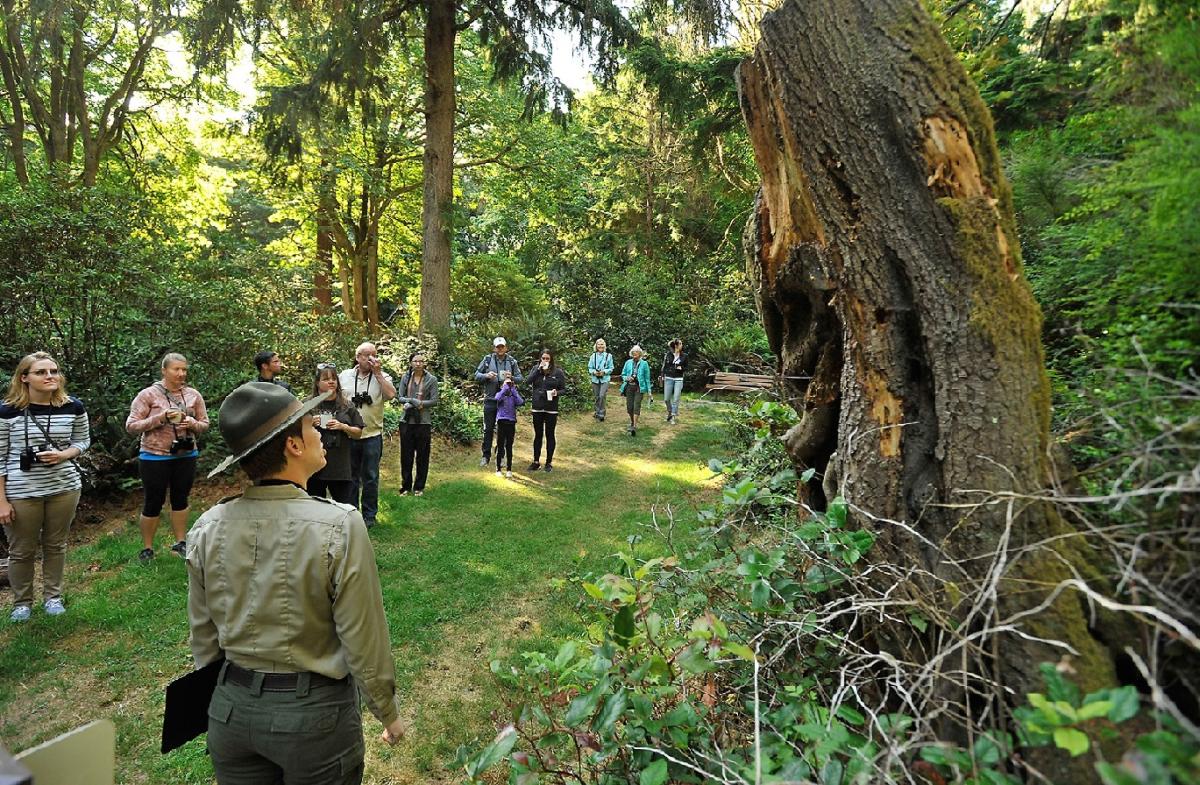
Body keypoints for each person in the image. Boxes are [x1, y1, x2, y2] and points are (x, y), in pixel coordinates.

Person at [188, 382, 406, 783]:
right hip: (314, 719)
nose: (321, 431)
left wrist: (219, 705)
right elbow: (363, 635)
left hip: (230, 712)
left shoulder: (207, 527)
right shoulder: (339, 525)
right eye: (310, 425)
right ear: (292, 446)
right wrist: (386, 712)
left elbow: (203, 636)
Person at [0, 352, 90, 622]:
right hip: (21, 491)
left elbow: (83, 441)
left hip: (63, 487)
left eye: (54, 371)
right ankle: (22, 603)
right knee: (21, 550)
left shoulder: (73, 406)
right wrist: (1, 501)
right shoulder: (7, 412)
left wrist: (64, 455)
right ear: (24, 378)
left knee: (56, 545)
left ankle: (53, 598)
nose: (50, 376)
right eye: (41, 372)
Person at [126, 352, 210, 563]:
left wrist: (191, 424)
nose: (181, 374)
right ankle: (147, 548)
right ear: (164, 370)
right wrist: (160, 418)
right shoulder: (148, 395)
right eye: (176, 369)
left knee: (180, 499)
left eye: (184, 370)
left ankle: (181, 543)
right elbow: (131, 426)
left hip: (186, 454)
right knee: (153, 502)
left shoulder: (193, 395)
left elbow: (205, 424)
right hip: (154, 456)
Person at [339, 342, 395, 528]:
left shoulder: (383, 376)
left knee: (370, 477)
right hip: (349, 434)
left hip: (372, 435)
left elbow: (391, 394)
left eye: (374, 355)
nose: (371, 359)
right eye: (366, 355)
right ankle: (351, 512)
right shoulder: (345, 376)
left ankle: (369, 516)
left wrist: (378, 374)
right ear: (357, 357)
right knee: (350, 476)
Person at [308, 364, 364, 504]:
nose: (331, 381)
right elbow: (293, 433)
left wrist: (343, 426)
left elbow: (358, 433)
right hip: (314, 466)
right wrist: (308, 424)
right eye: (326, 379)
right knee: (314, 508)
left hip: (340, 466)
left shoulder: (347, 405)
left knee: (344, 506)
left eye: (334, 378)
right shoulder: (307, 404)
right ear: (317, 383)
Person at [473, 337, 523, 468]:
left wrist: (510, 377)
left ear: (506, 347)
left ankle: (501, 456)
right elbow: (476, 375)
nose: (500, 349)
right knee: (488, 429)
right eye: (498, 347)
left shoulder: (512, 361)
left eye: (502, 346)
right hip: (490, 399)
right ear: (494, 348)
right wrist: (486, 376)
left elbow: (520, 378)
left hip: (506, 402)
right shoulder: (488, 359)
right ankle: (486, 456)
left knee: (504, 430)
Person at [395, 352, 439, 496]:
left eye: (421, 361)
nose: (418, 364)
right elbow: (399, 397)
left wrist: (420, 403)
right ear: (410, 363)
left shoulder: (431, 379)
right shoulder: (405, 377)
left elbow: (434, 400)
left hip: (423, 422)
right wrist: (409, 401)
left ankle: (419, 486)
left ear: (424, 363)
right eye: (415, 361)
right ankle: (406, 486)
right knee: (406, 455)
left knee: (422, 455)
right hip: (407, 420)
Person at [527, 349, 565, 472]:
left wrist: (556, 392)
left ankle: (548, 462)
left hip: (551, 408)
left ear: (551, 359)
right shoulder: (536, 369)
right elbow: (527, 382)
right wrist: (538, 370)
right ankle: (536, 461)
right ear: (540, 359)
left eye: (547, 359)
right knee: (538, 435)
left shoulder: (557, 372)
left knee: (550, 434)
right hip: (537, 406)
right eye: (543, 358)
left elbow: (563, 389)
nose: (545, 361)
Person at [493, 376, 524, 479]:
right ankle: (498, 468)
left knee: (509, 446)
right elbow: (496, 398)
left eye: (510, 384)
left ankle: (509, 469)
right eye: (507, 384)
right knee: (500, 445)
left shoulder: (513, 396)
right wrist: (504, 388)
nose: (508, 386)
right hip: (501, 422)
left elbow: (520, 402)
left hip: (511, 423)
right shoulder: (500, 394)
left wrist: (513, 390)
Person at [619, 344, 652, 437]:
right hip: (629, 387)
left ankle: (634, 426)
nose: (635, 354)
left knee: (636, 405)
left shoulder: (644, 364)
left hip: (639, 388)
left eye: (637, 352)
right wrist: (627, 378)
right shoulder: (628, 362)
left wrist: (649, 391)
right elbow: (623, 374)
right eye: (633, 352)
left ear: (640, 354)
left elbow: (647, 378)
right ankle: (632, 421)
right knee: (629, 407)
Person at [660, 338, 688, 424]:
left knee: (676, 398)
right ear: (676, 346)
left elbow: (687, 367)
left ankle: (673, 416)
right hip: (668, 377)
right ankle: (670, 411)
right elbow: (664, 366)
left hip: (679, 378)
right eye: (680, 344)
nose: (682, 345)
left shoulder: (684, 356)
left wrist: (681, 368)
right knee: (666, 399)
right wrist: (661, 376)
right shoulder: (668, 355)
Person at [587, 339, 614, 421]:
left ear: (604, 346)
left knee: (602, 395)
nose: (600, 346)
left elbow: (611, 368)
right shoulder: (593, 356)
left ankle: (601, 414)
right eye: (599, 344)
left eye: (602, 344)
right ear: (596, 346)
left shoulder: (609, 356)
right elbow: (590, 368)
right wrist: (594, 372)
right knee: (597, 396)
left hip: (605, 379)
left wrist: (604, 372)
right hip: (595, 379)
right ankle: (597, 412)